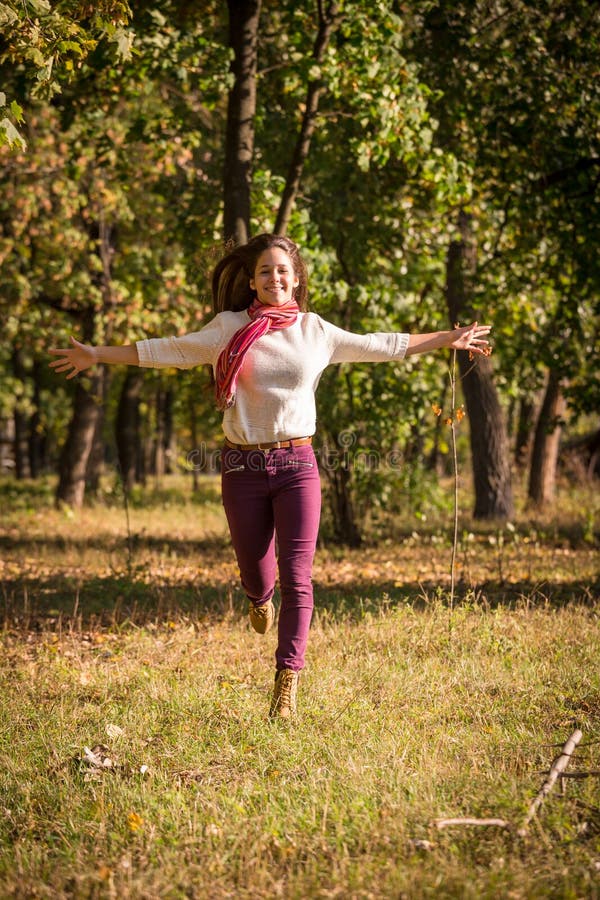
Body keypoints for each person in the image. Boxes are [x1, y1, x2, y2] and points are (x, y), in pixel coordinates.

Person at [49, 233, 492, 720]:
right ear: (253, 281)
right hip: (241, 466)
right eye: (265, 271)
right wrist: (97, 353)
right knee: (257, 572)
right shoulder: (227, 328)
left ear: (296, 278)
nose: (274, 277)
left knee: (298, 579)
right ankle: (257, 597)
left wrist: (448, 339)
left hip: (297, 465)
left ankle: (287, 681)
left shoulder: (316, 332)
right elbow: (169, 350)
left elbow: (382, 345)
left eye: (282, 270)